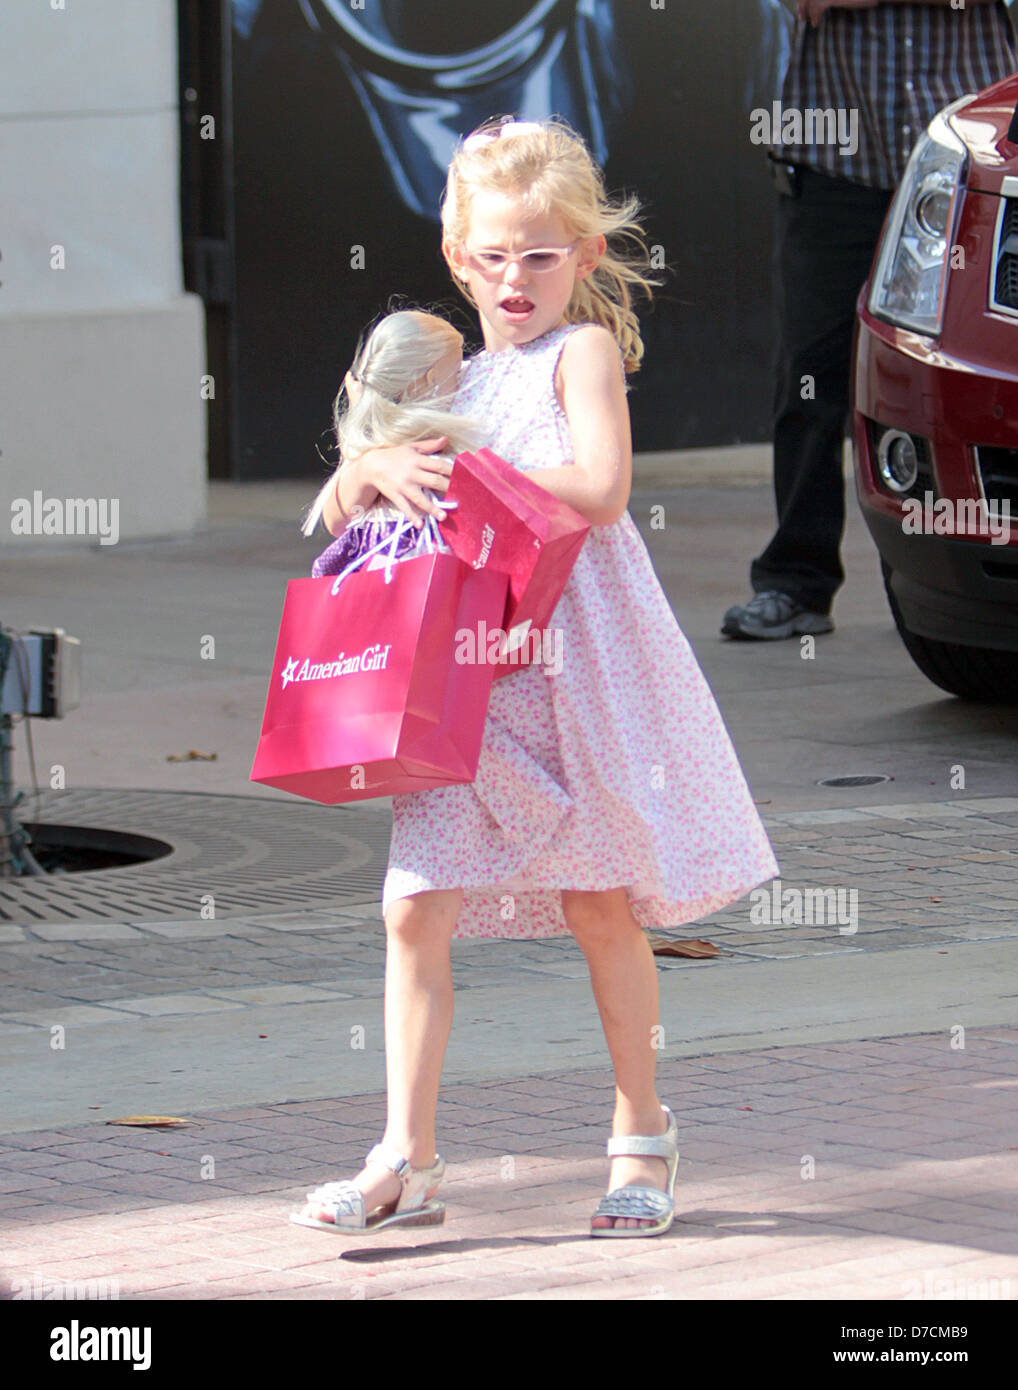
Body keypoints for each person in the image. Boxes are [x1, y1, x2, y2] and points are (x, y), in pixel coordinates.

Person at [290, 116, 779, 1240]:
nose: (516, 278)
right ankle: (403, 1156)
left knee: (598, 902)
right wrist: (370, 462)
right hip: (455, 680)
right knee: (411, 909)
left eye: (542, 255)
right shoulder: (445, 372)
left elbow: (601, 489)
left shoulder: (579, 355)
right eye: (494, 255)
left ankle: (640, 1134)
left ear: (585, 258)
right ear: (457, 255)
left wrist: (461, 464)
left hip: (565, 670)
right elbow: (349, 515)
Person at [722, 0, 1018, 640]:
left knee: (958, 375)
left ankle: (939, 585)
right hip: (837, 172)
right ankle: (795, 583)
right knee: (810, 380)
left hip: (970, 170)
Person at [300, 308, 486, 577]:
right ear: (431, 378)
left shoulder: (369, 440)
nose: (462, 379)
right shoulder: (436, 441)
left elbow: (336, 521)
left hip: (372, 577)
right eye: (457, 371)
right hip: (421, 574)